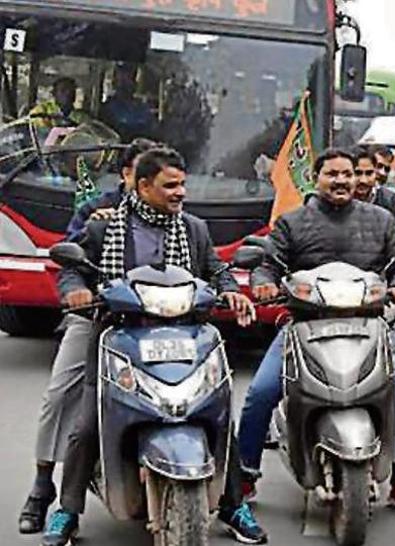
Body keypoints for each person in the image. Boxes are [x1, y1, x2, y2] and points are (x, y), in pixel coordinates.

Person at [41, 147, 264, 546]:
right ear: (143, 186)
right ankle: (67, 510)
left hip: (188, 337)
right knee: (87, 425)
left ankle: (232, 504)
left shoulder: (194, 228)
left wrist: (232, 293)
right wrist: (75, 292)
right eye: (170, 185)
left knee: (215, 415)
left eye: (183, 184)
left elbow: (215, 269)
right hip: (119, 335)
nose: (180, 192)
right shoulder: (104, 228)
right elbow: (71, 270)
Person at [237, 148, 395, 518]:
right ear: (317, 178)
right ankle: (244, 477)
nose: (342, 181)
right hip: (305, 325)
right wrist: (263, 284)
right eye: (333, 174)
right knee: (260, 394)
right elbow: (267, 265)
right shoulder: (292, 222)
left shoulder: (381, 220)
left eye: (349, 174)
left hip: (371, 325)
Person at [17, 138, 159, 535]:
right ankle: (44, 487)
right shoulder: (97, 213)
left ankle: (231, 496)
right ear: (128, 176)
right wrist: (77, 294)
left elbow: (204, 268)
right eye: (145, 176)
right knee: (62, 394)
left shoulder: (179, 220)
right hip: (97, 316)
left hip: (157, 323)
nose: (164, 189)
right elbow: (70, 262)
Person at [100, 64, 158, 141]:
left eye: (130, 77)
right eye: (120, 77)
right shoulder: (108, 109)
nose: (124, 81)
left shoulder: (143, 109)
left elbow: (152, 131)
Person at [353, 146, 395, 225]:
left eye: (369, 173)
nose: (363, 180)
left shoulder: (392, 202)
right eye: (358, 173)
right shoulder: (338, 200)